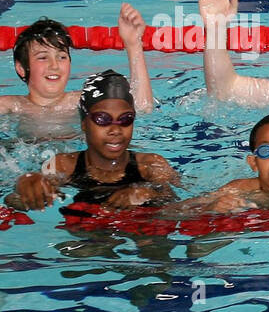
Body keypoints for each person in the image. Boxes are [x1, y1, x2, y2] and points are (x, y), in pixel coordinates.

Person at [5, 70, 177, 211]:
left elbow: (175, 200)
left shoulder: (151, 165)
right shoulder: (63, 165)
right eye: (102, 119)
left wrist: (148, 193)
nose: (115, 130)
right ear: (84, 124)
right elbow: (20, 198)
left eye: (125, 119)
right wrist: (24, 183)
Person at [0, 6, 156, 125]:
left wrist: (133, 44)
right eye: (43, 58)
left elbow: (142, 108)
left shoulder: (82, 100)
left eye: (61, 57)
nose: (54, 65)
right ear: (21, 69)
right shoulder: (12, 106)